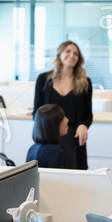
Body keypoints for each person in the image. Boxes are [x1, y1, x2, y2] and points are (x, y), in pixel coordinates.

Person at [33, 40, 93, 170]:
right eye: (68, 51)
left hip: (74, 137)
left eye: (76, 53)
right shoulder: (43, 79)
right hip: (49, 138)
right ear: (59, 54)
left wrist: (84, 125)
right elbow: (37, 112)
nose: (72, 55)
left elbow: (87, 115)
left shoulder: (85, 82)